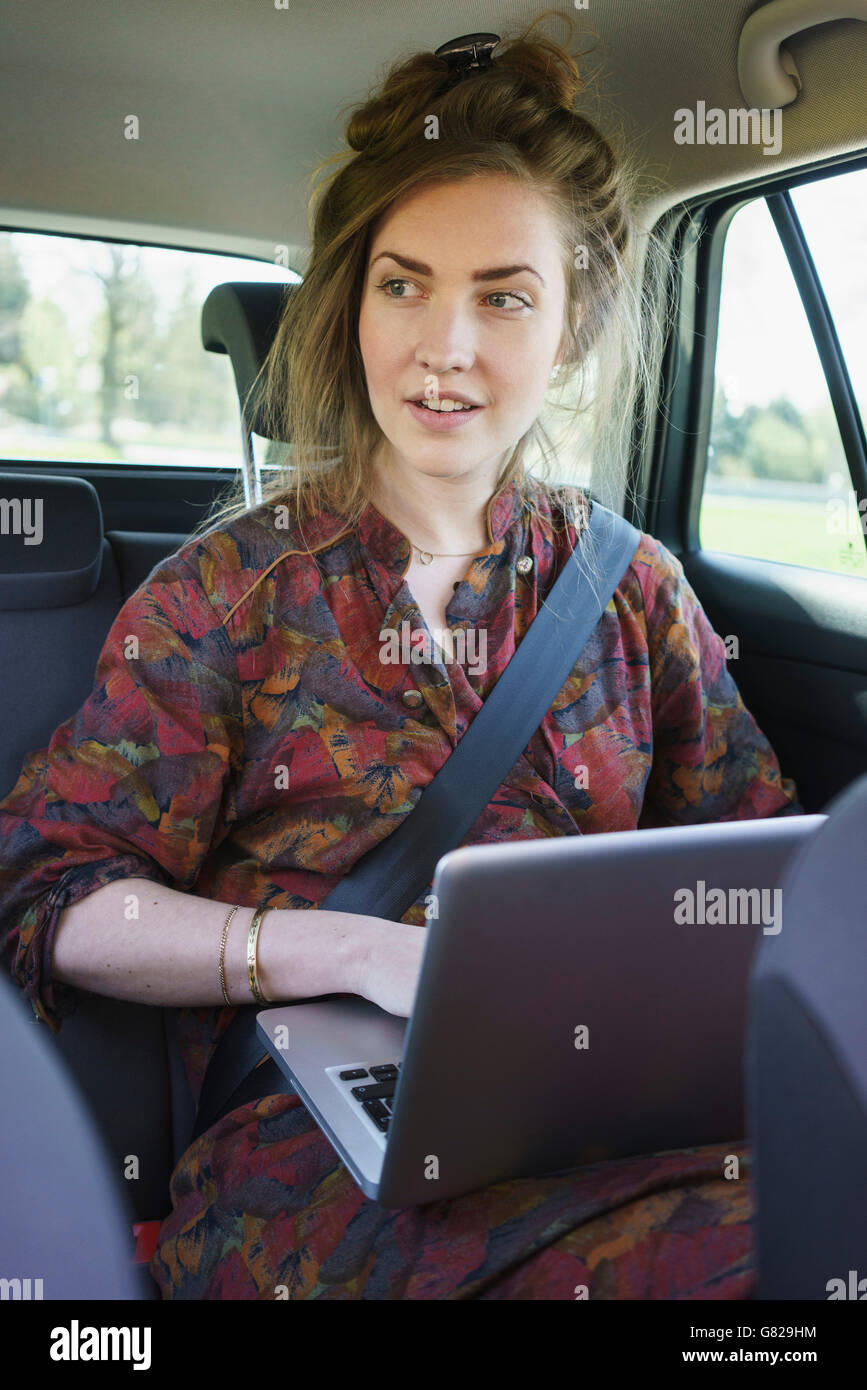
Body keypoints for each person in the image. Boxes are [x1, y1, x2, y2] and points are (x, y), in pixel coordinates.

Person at [0, 18, 802, 1300]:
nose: (446, 347)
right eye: (403, 282)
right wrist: (351, 953)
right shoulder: (222, 597)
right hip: (314, 1157)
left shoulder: (636, 588)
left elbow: (775, 875)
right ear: (351, 294)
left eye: (504, 296)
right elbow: (54, 899)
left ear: (576, 322)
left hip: (618, 1109)